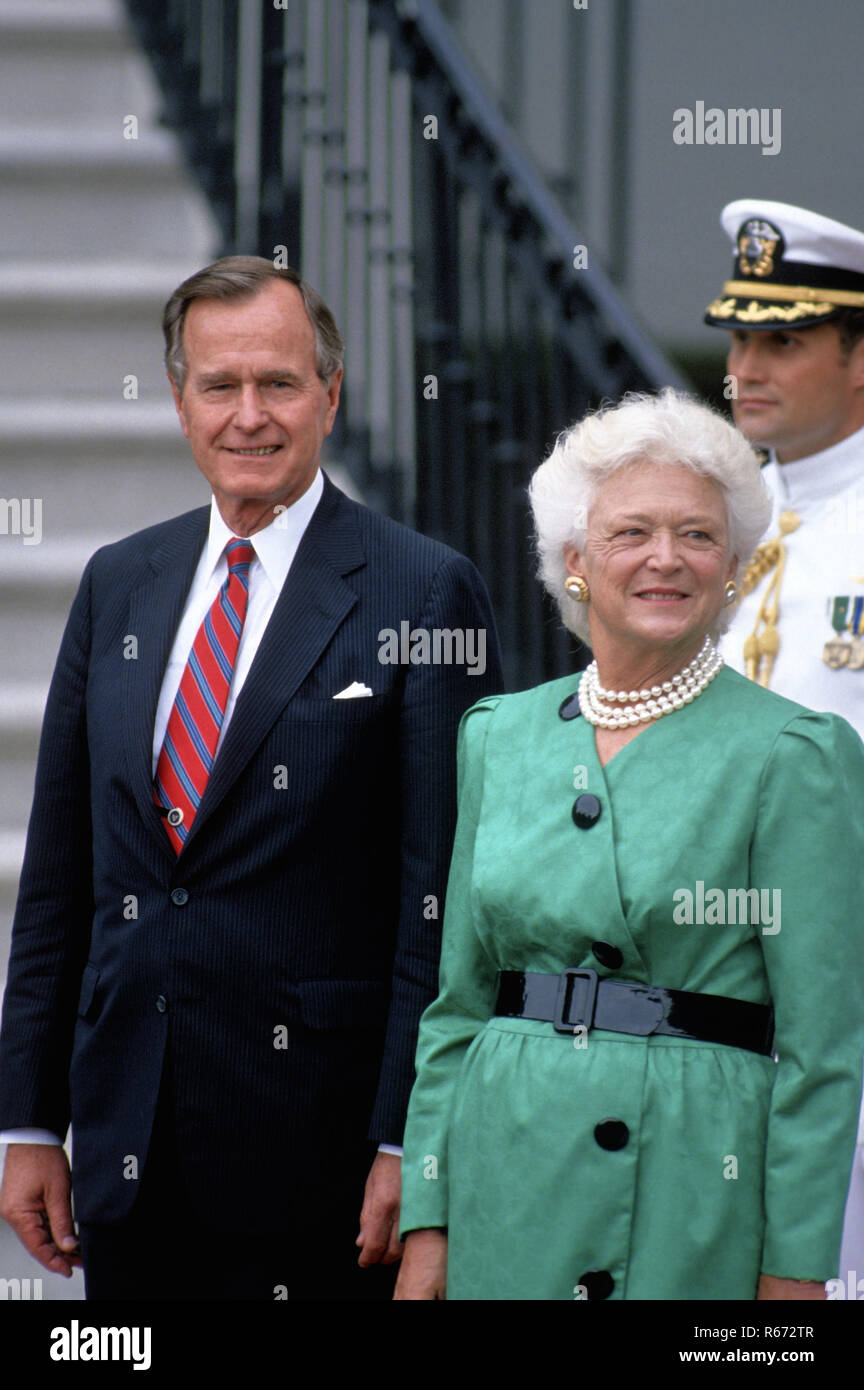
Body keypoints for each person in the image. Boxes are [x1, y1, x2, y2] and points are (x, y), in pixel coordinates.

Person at [0, 255, 503, 1300]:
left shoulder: (423, 586)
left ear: (331, 391)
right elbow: (59, 879)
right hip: (127, 1143)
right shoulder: (118, 583)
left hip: (319, 1161)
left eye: (277, 382)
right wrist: (28, 1117)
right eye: (219, 385)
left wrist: (413, 1144)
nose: (249, 415)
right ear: (180, 400)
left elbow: (444, 901)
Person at [393, 389, 864, 1301]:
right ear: (575, 562)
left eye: (697, 536)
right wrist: (429, 1220)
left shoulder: (795, 755)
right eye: (632, 533)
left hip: (695, 1199)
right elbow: (456, 1008)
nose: (666, 559)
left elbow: (823, 1049)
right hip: (510, 1186)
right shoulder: (498, 735)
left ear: (734, 568)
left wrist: (796, 1272)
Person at [704, 199, 864, 1283]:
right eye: (739, 336)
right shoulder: (719, 521)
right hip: (720, 961)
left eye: (785, 340)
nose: (746, 367)